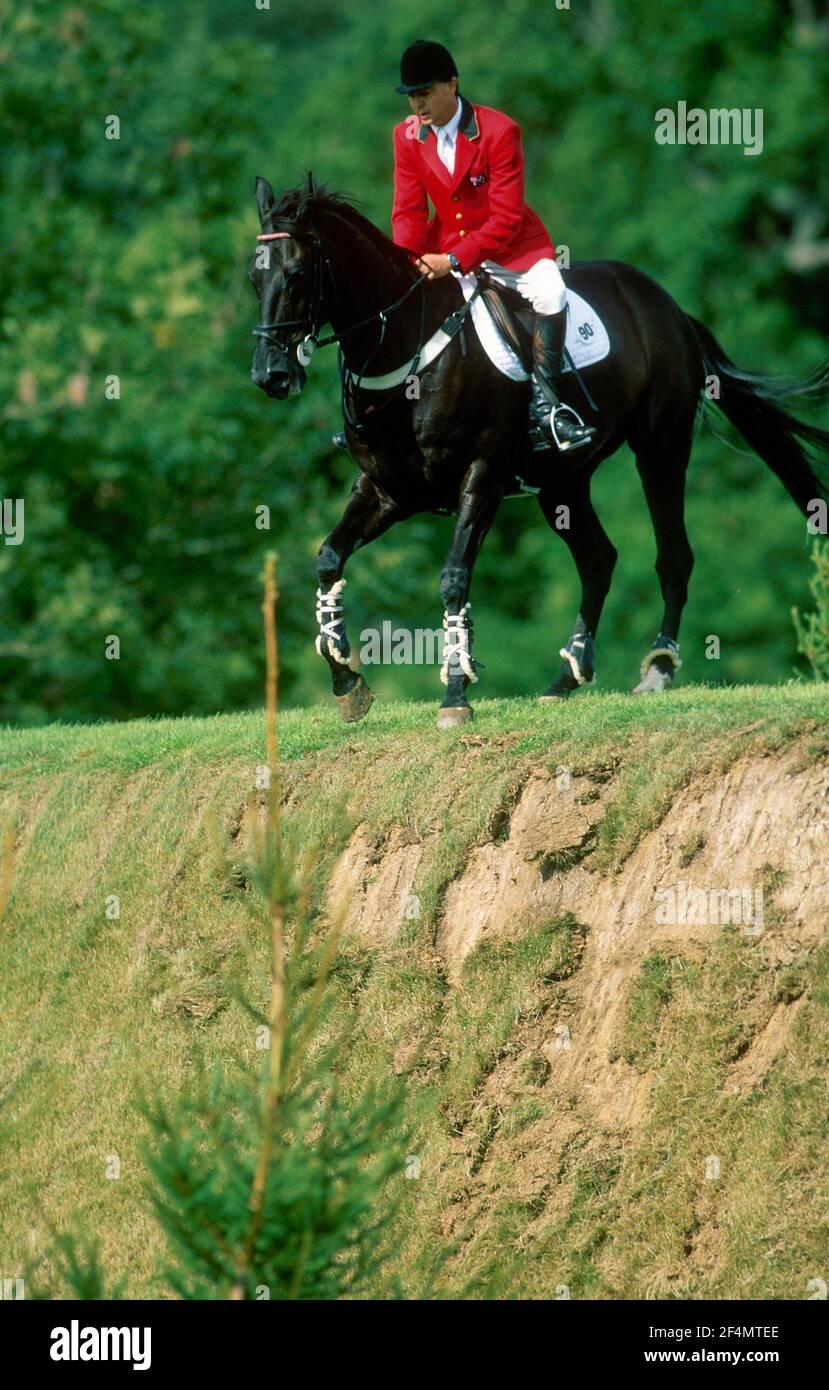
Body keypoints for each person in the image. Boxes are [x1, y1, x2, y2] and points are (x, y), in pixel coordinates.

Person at [333, 39, 594, 454]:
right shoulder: (407, 137)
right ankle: (378, 409)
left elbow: (506, 219)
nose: (418, 105)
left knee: (551, 292)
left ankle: (547, 407)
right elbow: (408, 211)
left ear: (452, 85)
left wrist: (454, 260)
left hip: (511, 250)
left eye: (425, 94)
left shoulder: (499, 131)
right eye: (412, 96)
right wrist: (406, 262)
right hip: (441, 250)